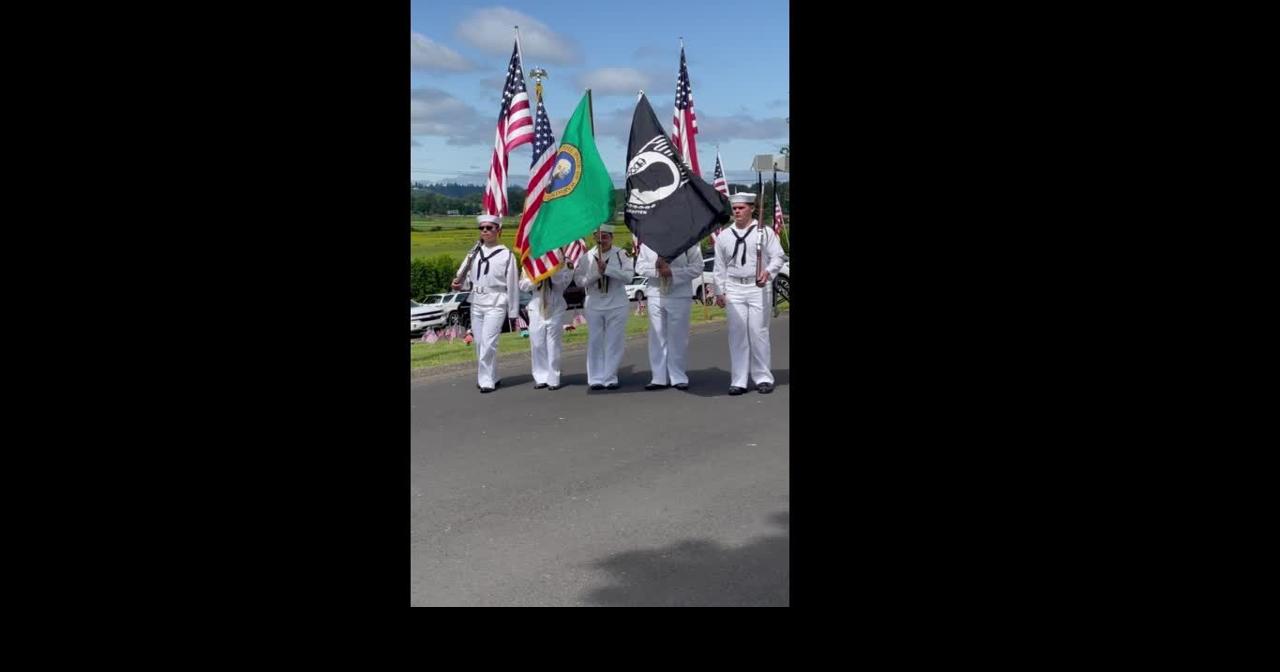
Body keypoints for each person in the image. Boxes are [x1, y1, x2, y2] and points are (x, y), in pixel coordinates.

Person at [713, 193, 785, 395]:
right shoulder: (725, 236)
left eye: (741, 208)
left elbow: (778, 256)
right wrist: (719, 291)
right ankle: (739, 380)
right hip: (734, 287)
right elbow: (719, 267)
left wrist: (768, 272)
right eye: (735, 208)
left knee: (758, 332)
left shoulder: (765, 232)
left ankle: (763, 377)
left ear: (752, 208)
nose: (737, 211)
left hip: (757, 287)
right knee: (737, 335)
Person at [452, 214, 519, 393]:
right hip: (477, 301)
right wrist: (458, 284)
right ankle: (493, 376)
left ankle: (486, 381)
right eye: (482, 228)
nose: (485, 231)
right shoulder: (474, 253)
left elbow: (512, 284)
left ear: (498, 230)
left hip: (496, 302)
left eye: (489, 228)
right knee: (480, 343)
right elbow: (465, 278)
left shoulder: (506, 255)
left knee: (489, 343)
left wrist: (513, 311)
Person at [635, 241, 703, 390]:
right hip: (655, 292)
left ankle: (678, 376)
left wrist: (673, 272)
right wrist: (657, 269)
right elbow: (639, 266)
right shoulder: (648, 242)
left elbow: (698, 267)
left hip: (679, 293)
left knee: (677, 337)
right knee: (656, 336)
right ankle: (659, 377)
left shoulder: (688, 241)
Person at [572, 223, 633, 390]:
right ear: (594, 238)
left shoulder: (621, 254)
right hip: (594, 304)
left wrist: (608, 269)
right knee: (595, 341)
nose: (602, 241)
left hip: (617, 304)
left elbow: (628, 277)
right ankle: (595, 378)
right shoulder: (586, 257)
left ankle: (610, 377)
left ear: (611, 238)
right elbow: (579, 281)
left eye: (605, 237)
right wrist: (596, 274)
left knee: (614, 341)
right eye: (598, 237)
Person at [517, 251, 574, 390]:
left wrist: (551, 272)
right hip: (537, 303)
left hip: (556, 303)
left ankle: (553, 378)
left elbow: (563, 284)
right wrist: (536, 279)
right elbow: (522, 284)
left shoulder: (564, 261)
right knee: (537, 342)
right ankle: (541, 376)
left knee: (553, 343)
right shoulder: (531, 260)